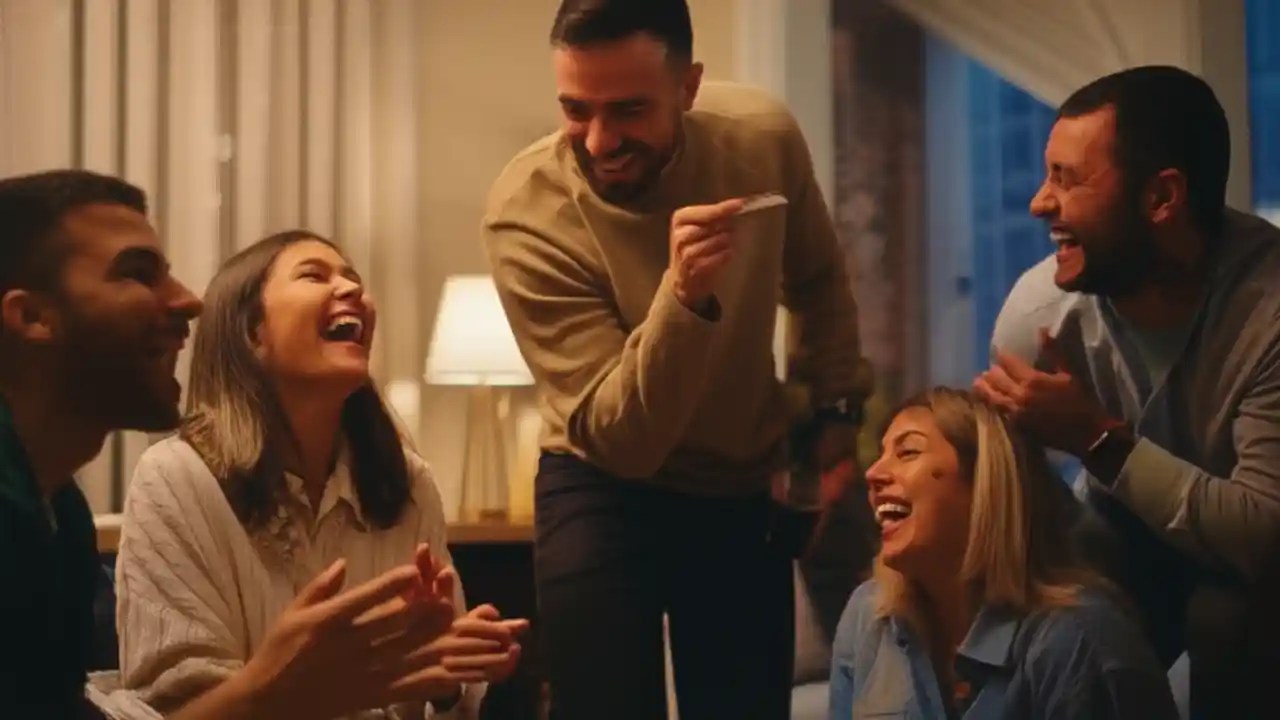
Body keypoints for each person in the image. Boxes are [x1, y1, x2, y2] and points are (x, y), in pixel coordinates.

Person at [483, 1, 873, 717]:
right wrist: (684, 299)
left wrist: (830, 422)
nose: (600, 140)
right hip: (598, 476)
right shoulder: (526, 211)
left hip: (736, 473)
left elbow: (817, 279)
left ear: (688, 89)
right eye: (576, 109)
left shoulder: (759, 138)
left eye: (629, 110)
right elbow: (625, 440)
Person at [114, 231, 528, 719]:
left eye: (354, 278)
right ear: (252, 333)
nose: (352, 290)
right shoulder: (176, 479)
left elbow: (441, 696)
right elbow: (173, 709)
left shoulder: (408, 482)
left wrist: (442, 682)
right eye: (314, 274)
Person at [975, 65, 1280, 716]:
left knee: (1230, 618)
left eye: (1067, 178)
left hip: (1257, 571)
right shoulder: (1040, 315)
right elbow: (1004, 502)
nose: (1037, 202)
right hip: (1120, 534)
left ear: (1162, 197)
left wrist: (1096, 438)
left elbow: (1263, 536)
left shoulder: (1269, 313)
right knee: (1043, 601)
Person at [829, 388, 1177, 719]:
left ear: (985, 485)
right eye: (881, 453)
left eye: (908, 452)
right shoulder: (867, 617)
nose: (873, 473)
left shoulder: (1079, 642)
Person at [0, 170, 203, 717]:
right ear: (32, 316)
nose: (189, 301)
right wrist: (281, 684)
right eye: (139, 274)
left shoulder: (62, 512)